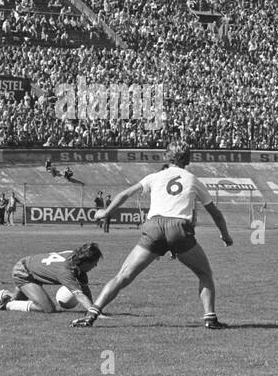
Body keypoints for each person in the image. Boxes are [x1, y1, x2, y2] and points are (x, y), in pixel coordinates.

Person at [74, 140, 233, 329]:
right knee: (204, 273)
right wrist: (225, 235)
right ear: (188, 160)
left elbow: (125, 194)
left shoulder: (155, 177)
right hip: (179, 228)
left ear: (167, 157)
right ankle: (210, 319)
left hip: (154, 227)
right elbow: (215, 213)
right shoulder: (192, 179)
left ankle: (91, 315)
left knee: (123, 276)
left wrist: (106, 212)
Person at [0, 243, 103, 314]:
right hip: (24, 273)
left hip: (30, 267)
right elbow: (79, 295)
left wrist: (93, 311)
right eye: (94, 262)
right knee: (47, 308)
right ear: (85, 262)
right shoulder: (66, 271)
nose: (95, 265)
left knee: (16, 298)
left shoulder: (74, 258)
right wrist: (94, 313)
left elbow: (85, 289)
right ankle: (8, 305)